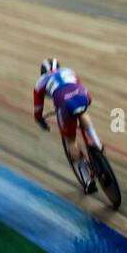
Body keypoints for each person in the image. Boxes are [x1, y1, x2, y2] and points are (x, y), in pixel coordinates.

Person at [33, 58, 100, 193]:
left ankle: (88, 180)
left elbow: (38, 109)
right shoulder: (69, 71)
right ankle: (97, 143)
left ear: (42, 73)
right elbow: (81, 87)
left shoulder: (40, 83)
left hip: (63, 102)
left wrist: (40, 121)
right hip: (80, 93)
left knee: (70, 141)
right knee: (82, 112)